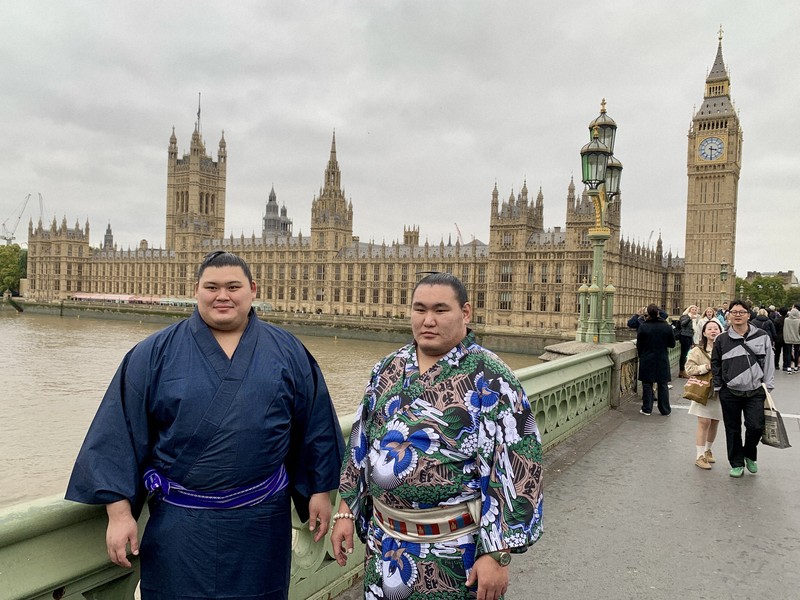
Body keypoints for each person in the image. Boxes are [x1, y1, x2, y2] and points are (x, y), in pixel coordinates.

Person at [66, 251, 345, 600]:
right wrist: (120, 513)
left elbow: (315, 425)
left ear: (253, 289)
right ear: (196, 289)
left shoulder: (288, 351)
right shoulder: (153, 352)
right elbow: (117, 432)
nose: (222, 296)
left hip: (260, 525)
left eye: (233, 287)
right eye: (212, 287)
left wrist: (319, 490)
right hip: (182, 525)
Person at [331, 273, 543, 600]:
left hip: (456, 552)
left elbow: (519, 464)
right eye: (420, 309)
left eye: (440, 310)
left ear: (465, 313)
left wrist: (497, 553)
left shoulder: (492, 376)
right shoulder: (387, 368)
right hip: (385, 545)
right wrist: (347, 511)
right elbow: (360, 444)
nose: (428, 320)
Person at [711, 299, 775, 478]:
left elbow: (769, 361)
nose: (737, 315)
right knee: (732, 429)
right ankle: (736, 463)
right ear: (729, 316)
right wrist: (718, 385)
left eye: (741, 312)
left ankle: (749, 454)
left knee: (755, 426)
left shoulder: (762, 336)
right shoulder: (721, 339)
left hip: (755, 390)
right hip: (730, 390)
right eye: (734, 312)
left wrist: (768, 386)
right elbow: (715, 363)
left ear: (748, 315)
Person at [686, 320, 724, 469]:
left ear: (720, 331)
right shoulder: (697, 351)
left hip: (720, 391)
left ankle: (708, 450)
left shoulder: (726, 349)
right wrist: (706, 367)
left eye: (716, 328)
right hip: (703, 390)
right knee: (704, 422)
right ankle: (699, 456)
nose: (713, 331)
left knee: (714, 421)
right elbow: (689, 369)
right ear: (704, 333)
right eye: (710, 329)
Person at [636, 304, 677, 416]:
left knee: (647, 383)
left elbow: (639, 345)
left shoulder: (643, 327)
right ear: (658, 313)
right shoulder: (667, 327)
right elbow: (672, 344)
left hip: (647, 358)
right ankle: (665, 410)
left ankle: (647, 409)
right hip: (662, 358)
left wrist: (641, 355)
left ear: (648, 314)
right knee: (663, 384)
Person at [678, 305, 700, 377]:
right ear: (689, 310)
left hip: (690, 336)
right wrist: (690, 318)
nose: (694, 311)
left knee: (688, 354)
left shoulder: (696, 318)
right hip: (684, 336)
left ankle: (685, 370)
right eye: (692, 309)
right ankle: (682, 371)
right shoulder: (685, 316)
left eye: (695, 310)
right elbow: (683, 324)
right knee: (684, 354)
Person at [782, 305, 800, 372]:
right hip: (797, 338)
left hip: (788, 338)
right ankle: (796, 366)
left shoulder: (786, 320)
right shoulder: (799, 321)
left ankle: (788, 366)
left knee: (788, 353)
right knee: (796, 352)